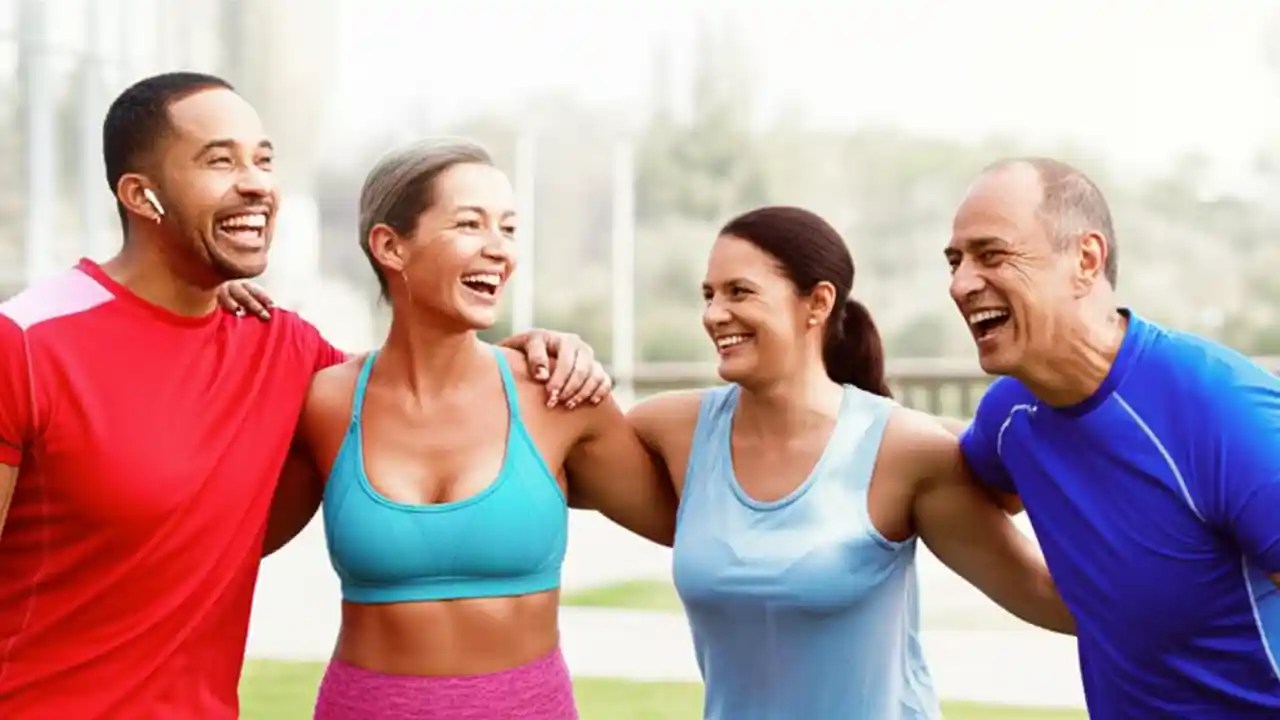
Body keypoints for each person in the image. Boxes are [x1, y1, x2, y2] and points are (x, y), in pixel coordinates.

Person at [0, 72, 609, 720]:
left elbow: (422, 388)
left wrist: (542, 352)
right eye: (220, 161)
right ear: (142, 194)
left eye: (264, 159)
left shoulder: (286, 352)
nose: (258, 182)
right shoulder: (27, 343)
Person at [273, 139, 676, 720]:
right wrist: (212, 303)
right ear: (390, 246)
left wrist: (690, 411)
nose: (499, 250)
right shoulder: (326, 403)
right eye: (470, 224)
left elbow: (685, 521)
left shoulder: (555, 395)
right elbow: (225, 547)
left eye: (508, 229)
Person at [621, 206, 1073, 720]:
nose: (713, 314)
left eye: (738, 292)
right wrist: (551, 352)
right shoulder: (672, 429)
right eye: (709, 294)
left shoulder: (903, 451)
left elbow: (1042, 592)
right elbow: (562, 445)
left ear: (817, 303)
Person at [947, 157, 1280, 718]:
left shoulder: (1218, 406)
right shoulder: (1009, 415)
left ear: (1086, 259)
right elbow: (971, 482)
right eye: (954, 261)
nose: (959, 284)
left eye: (992, 254)